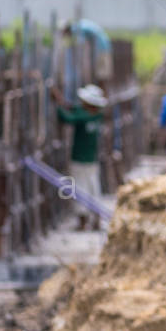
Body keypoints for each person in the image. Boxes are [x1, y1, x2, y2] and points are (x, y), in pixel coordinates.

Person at [53, 83, 109, 230]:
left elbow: (67, 118)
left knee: (79, 190)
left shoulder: (83, 117)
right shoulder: (97, 116)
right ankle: (96, 219)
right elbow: (74, 109)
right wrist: (63, 101)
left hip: (79, 160)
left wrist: (57, 106)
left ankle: (83, 223)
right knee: (93, 189)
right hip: (92, 160)